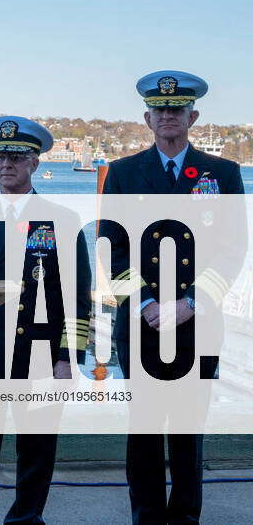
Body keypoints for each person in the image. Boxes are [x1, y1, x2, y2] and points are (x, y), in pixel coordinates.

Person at [101, 71, 244, 524]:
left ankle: (184, 518)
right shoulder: (123, 174)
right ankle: (145, 517)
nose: (168, 116)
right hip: (141, 326)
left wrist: (190, 304)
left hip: (197, 325)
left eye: (176, 109)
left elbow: (232, 248)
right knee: (143, 432)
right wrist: (145, 303)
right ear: (147, 118)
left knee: (187, 434)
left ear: (192, 116)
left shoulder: (222, 174)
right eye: (160, 110)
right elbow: (111, 247)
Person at [0, 116, 91, 525]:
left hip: (39, 353)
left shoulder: (61, 220)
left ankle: (25, 520)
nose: (6, 163)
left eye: (17, 156)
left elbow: (77, 297)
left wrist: (68, 357)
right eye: (1, 156)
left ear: (34, 164)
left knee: (36, 450)